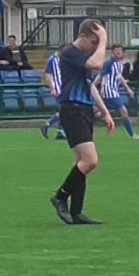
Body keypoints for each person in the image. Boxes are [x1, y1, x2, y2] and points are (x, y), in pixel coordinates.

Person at [49, 19, 114, 225]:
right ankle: (60, 196)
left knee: (81, 163)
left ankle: (76, 212)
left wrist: (105, 112)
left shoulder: (81, 57)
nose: (96, 47)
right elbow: (97, 64)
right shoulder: (70, 52)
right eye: (93, 42)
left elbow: (90, 86)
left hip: (84, 109)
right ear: (83, 37)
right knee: (90, 160)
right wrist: (103, 40)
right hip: (73, 109)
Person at [99, 44, 138, 140]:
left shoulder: (119, 64)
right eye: (116, 50)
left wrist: (128, 89)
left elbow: (120, 78)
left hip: (113, 90)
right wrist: (95, 87)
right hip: (109, 90)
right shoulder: (109, 63)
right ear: (113, 52)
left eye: (120, 50)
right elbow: (101, 76)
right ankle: (132, 135)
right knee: (123, 111)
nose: (118, 52)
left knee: (99, 112)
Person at [40, 44, 68, 140]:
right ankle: (48, 124)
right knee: (65, 110)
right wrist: (52, 88)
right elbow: (48, 74)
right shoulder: (53, 60)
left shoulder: (63, 60)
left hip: (64, 88)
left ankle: (60, 131)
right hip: (59, 89)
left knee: (64, 109)